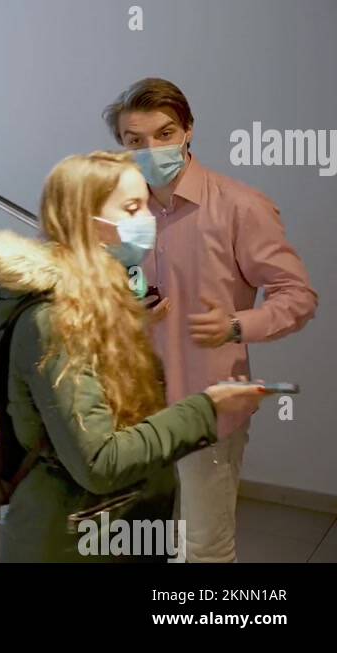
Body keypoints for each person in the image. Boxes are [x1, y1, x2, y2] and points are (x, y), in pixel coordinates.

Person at [0, 151, 268, 562]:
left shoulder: (105, 305)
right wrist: (205, 410)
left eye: (146, 203)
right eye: (132, 208)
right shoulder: (56, 321)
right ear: (88, 224)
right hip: (71, 544)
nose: (148, 218)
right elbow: (100, 461)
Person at [103, 78, 317, 562]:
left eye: (164, 133)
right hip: (129, 409)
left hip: (207, 406)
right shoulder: (117, 210)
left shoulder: (241, 206)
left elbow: (297, 296)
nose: (151, 148)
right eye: (134, 141)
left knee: (203, 548)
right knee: (135, 542)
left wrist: (238, 325)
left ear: (189, 131)